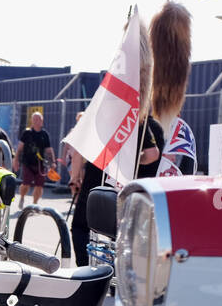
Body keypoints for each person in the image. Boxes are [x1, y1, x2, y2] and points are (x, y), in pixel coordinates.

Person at [68, 114, 163, 265]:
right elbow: (153, 154)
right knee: (118, 231)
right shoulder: (136, 119)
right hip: (122, 181)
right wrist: (131, 162)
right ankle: (117, 273)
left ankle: (85, 270)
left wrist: (74, 178)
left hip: (95, 178)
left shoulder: (99, 113)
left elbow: (78, 152)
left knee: (80, 226)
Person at [13, 110, 54, 207]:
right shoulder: (27, 133)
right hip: (27, 163)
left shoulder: (45, 134)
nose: (36, 121)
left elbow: (49, 150)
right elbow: (19, 149)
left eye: (38, 119)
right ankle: (22, 197)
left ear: (42, 121)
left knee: (39, 186)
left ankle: (35, 204)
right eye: (34, 119)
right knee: (26, 184)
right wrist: (16, 160)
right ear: (31, 121)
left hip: (40, 164)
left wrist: (52, 162)